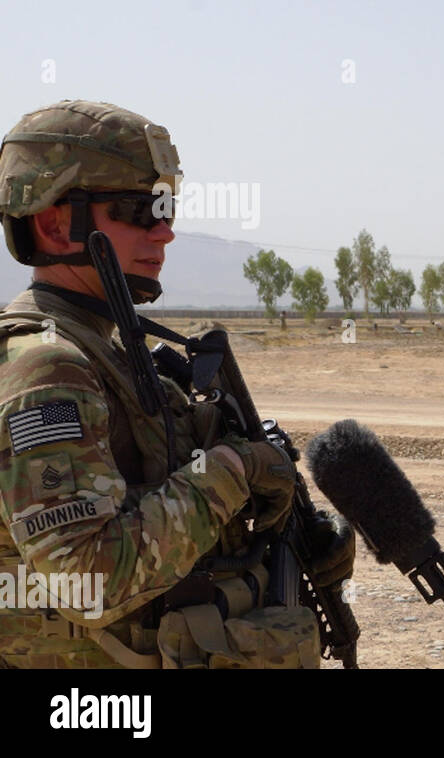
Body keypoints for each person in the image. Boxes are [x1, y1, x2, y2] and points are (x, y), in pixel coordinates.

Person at [0, 100, 332, 668]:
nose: (166, 232)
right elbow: (88, 583)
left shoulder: (109, 351)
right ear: (54, 223)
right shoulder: (45, 366)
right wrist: (235, 469)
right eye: (138, 209)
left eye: (167, 208)